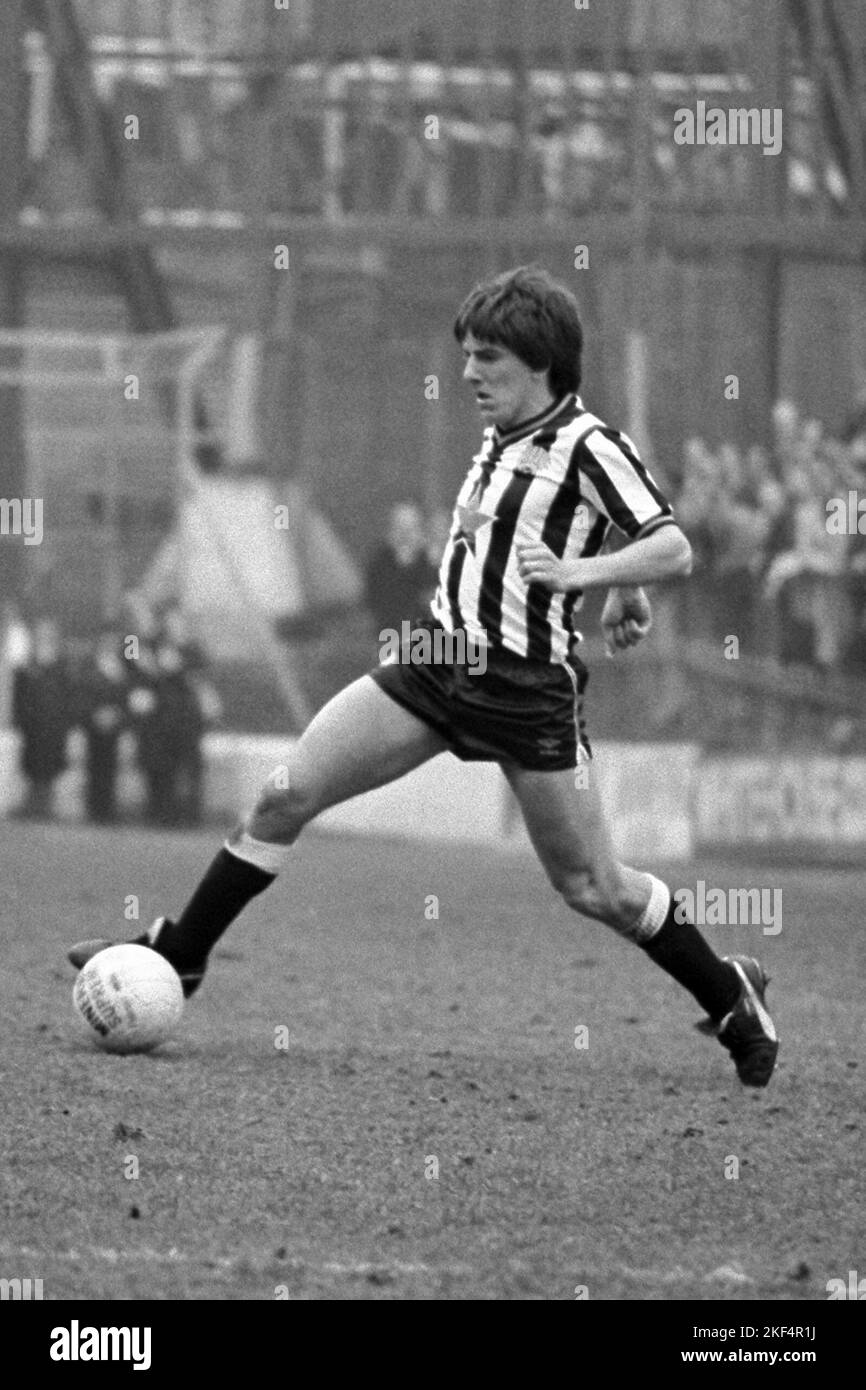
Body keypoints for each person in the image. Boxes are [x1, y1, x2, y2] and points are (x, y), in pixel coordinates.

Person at [68, 265, 778, 1087]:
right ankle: (182, 955)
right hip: (435, 662)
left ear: (541, 362)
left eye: (489, 359)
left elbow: (671, 541)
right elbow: (578, 540)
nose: (470, 373)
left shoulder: (589, 444)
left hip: (526, 691)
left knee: (597, 889)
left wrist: (598, 578)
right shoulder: (501, 436)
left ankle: (733, 995)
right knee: (282, 796)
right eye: (468, 355)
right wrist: (621, 586)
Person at [12, 617, 72, 819]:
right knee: (32, 765)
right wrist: (21, 720)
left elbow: (69, 694)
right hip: (32, 726)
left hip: (54, 726)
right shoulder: (27, 664)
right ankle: (33, 805)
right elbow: (19, 696)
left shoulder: (63, 665)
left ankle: (45, 806)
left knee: (50, 766)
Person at [77, 625, 129, 825]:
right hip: (94, 725)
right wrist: (94, 714)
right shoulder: (89, 664)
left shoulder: (124, 662)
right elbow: (82, 692)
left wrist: (117, 714)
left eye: (114, 640)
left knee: (111, 768)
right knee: (94, 767)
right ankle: (94, 810)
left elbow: (129, 690)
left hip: (115, 725)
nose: (110, 644)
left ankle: (108, 810)